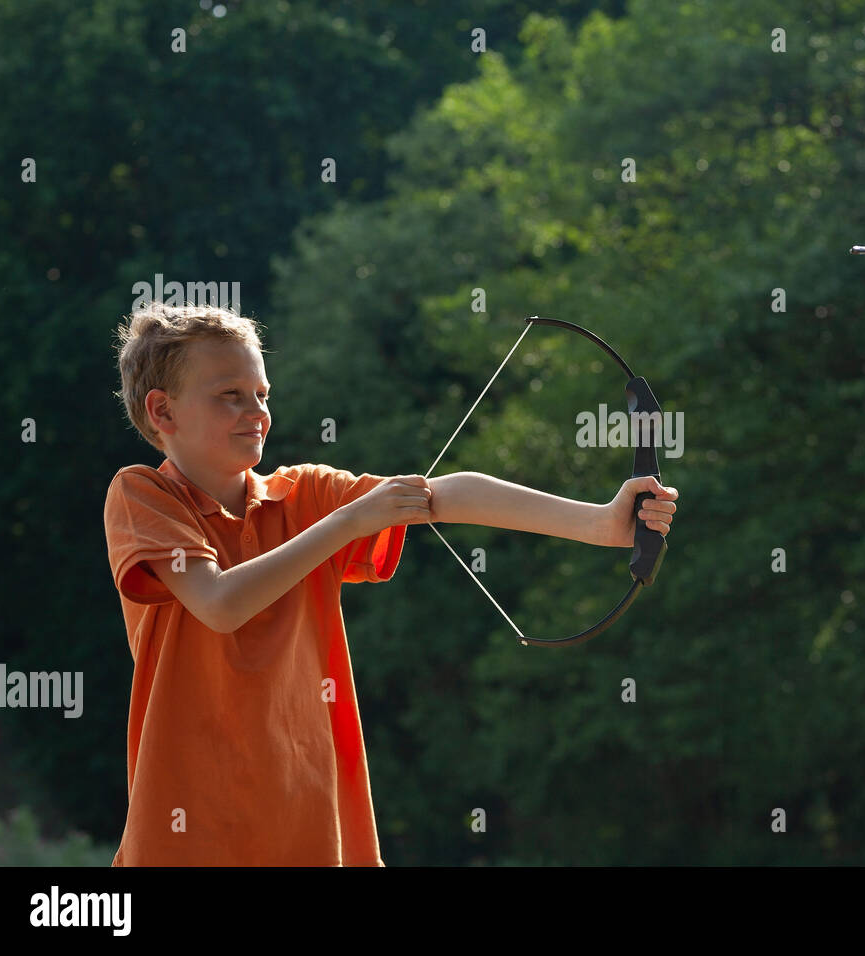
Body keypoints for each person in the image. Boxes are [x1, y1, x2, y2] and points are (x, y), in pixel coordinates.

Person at [103, 301, 679, 865]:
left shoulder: (304, 493)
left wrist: (603, 525)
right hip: (186, 834)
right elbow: (220, 602)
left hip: (311, 828)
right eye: (230, 395)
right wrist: (351, 519)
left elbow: (442, 494)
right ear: (163, 411)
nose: (255, 411)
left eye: (262, 394)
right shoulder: (142, 495)